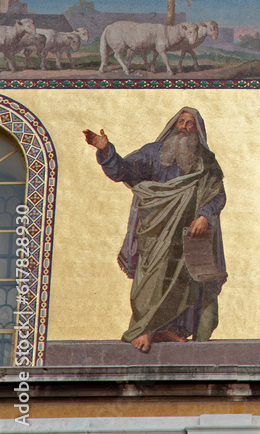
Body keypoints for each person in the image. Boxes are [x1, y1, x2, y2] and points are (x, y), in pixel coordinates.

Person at [83, 107, 227, 353]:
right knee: (151, 279)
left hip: (189, 235)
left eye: (190, 124)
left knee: (187, 283)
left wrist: (204, 214)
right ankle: (144, 329)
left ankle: (170, 330)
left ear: (197, 130)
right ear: (173, 125)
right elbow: (124, 170)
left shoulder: (205, 160)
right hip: (155, 231)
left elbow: (217, 192)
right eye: (180, 122)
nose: (184, 127)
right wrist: (106, 151)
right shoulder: (153, 153)